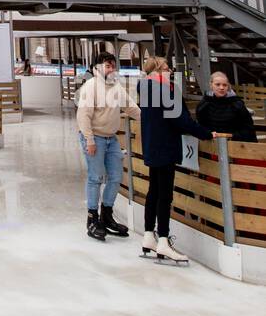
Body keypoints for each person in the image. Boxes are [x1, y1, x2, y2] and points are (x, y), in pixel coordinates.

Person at [138, 56, 212, 264]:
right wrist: (206, 133)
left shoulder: (145, 90)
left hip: (152, 146)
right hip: (165, 147)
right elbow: (181, 120)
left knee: (154, 191)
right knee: (165, 195)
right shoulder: (166, 91)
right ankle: (162, 239)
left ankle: (148, 235)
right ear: (157, 71)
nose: (170, 71)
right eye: (166, 68)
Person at [76, 53, 137, 241]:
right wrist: (90, 140)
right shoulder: (91, 87)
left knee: (116, 176)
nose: (111, 70)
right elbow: (83, 116)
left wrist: (150, 119)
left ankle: (106, 215)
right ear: (98, 67)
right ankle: (92, 219)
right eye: (107, 66)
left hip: (111, 139)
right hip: (94, 138)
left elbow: (130, 107)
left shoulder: (116, 87)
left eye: (113, 66)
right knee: (95, 178)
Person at [194, 71, 257, 142]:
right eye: (217, 84)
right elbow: (201, 127)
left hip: (235, 146)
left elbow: (248, 129)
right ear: (211, 85)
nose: (221, 88)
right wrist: (208, 134)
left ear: (228, 86)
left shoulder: (237, 105)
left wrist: (233, 136)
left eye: (224, 85)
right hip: (210, 147)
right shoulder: (203, 105)